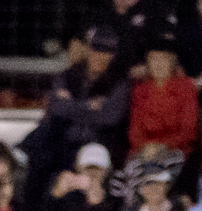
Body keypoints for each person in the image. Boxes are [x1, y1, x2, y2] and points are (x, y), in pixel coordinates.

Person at [18, 25, 129, 200]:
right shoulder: (69, 75)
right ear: (88, 49)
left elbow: (110, 118)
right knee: (39, 159)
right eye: (96, 49)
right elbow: (58, 108)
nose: (99, 56)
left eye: (105, 51)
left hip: (96, 142)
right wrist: (88, 107)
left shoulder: (118, 82)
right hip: (63, 139)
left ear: (112, 55)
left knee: (84, 169)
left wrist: (72, 105)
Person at [127, 34, 198, 160]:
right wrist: (147, 147)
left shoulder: (186, 87)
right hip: (144, 152)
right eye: (154, 59)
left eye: (164, 59)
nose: (159, 64)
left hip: (176, 152)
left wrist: (161, 147)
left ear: (172, 62)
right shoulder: (140, 89)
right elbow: (134, 131)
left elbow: (188, 131)